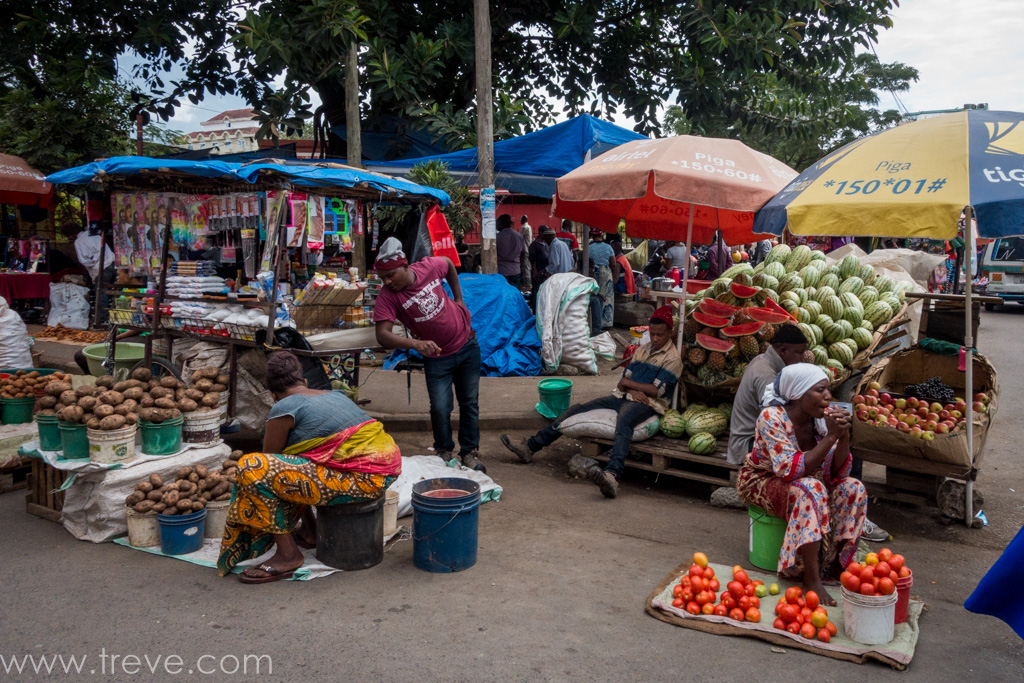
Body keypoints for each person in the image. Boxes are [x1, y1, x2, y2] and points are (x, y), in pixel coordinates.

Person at [217, 351, 401, 583]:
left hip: (361, 479)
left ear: (273, 395)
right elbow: (289, 464)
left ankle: (288, 555)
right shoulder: (337, 395)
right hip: (382, 474)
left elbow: (268, 463)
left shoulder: (284, 407)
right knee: (292, 464)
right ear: (304, 382)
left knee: (253, 468)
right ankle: (310, 532)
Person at [501, 306, 683, 499]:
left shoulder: (672, 359)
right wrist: (630, 387)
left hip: (648, 404)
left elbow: (656, 391)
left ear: (670, 334)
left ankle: (612, 475)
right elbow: (622, 382)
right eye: (652, 334)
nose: (655, 339)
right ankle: (531, 446)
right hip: (624, 396)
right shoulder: (642, 350)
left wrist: (628, 385)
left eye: (660, 335)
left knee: (624, 421)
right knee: (577, 408)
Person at [736, 364, 867, 604]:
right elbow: (789, 471)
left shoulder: (819, 421)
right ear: (797, 393)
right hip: (763, 480)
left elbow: (837, 473)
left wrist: (843, 435)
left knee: (853, 487)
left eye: (828, 390)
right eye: (820, 390)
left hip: (806, 480)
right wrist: (830, 438)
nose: (828, 397)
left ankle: (836, 565)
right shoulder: (771, 417)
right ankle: (810, 577)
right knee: (811, 488)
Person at [372, 237, 485, 472]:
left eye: (391, 275)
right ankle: (443, 451)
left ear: (405, 267)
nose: (388, 281)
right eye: (383, 278)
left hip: (467, 345)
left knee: (469, 403)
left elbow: (449, 264)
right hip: (437, 358)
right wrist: (415, 344)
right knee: (441, 407)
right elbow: (382, 335)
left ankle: (469, 452)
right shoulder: (388, 296)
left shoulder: (428, 267)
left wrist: (459, 298)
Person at [727, 325, 808, 466]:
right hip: (746, 444)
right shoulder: (766, 375)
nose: (802, 359)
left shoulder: (763, 359)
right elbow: (775, 422)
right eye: (799, 353)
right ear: (783, 351)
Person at [587, 230, 618, 330]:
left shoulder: (589, 247)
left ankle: (595, 322)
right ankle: (606, 323)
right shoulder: (608, 247)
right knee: (607, 297)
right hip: (605, 272)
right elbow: (613, 263)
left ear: (593, 236)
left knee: (595, 296)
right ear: (602, 235)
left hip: (592, 273)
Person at [496, 214, 527, 288]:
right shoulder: (519, 236)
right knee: (515, 294)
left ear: (501, 223)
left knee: (503, 294)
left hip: (502, 270)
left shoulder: (497, 237)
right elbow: (523, 253)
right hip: (516, 270)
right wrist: (520, 265)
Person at [528, 226, 553, 310]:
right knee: (536, 291)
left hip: (545, 272)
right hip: (538, 271)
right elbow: (532, 260)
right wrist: (535, 272)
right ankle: (536, 309)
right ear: (541, 232)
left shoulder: (546, 244)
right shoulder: (534, 245)